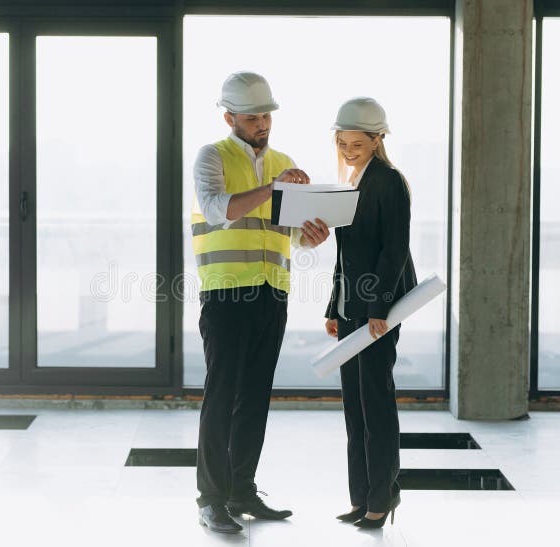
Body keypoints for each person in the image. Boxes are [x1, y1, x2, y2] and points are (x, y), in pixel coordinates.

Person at [192, 71, 330, 534]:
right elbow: (216, 209)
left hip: (273, 293)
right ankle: (211, 499)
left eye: (266, 116)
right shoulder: (212, 156)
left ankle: (242, 491)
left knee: (253, 399)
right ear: (230, 116)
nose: (262, 124)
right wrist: (274, 187)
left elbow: (290, 233)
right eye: (252, 117)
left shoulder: (286, 162)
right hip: (227, 293)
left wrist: (312, 235)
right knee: (221, 396)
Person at [323, 97, 417, 529]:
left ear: (378, 140)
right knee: (354, 409)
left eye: (356, 144)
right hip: (350, 310)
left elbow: (393, 250)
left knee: (376, 406)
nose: (348, 151)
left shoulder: (389, 182)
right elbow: (345, 254)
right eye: (342, 143)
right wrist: (333, 307)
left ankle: (383, 495)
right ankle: (361, 497)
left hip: (376, 311)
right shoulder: (350, 180)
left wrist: (380, 307)